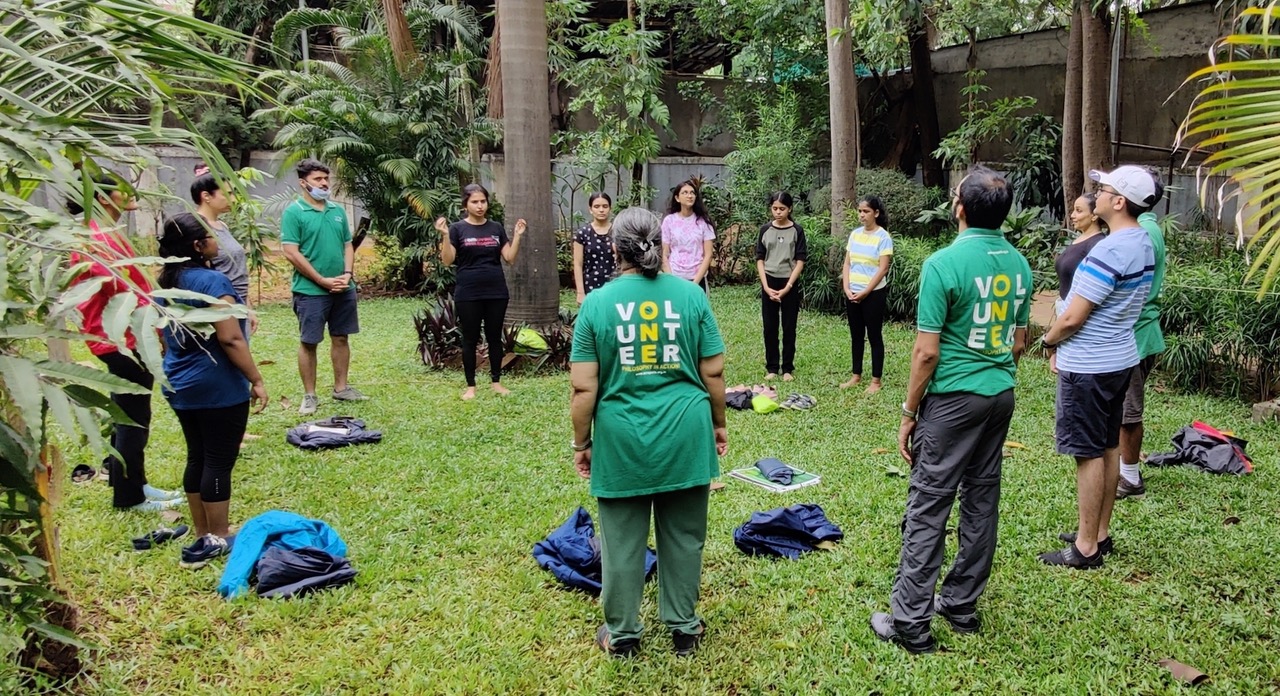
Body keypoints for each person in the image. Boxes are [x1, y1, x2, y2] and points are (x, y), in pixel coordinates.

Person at [870, 166, 1031, 654]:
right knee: (982, 498)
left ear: (959, 208)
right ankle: (961, 605)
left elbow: (926, 353)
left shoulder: (943, 263)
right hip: (999, 393)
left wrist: (908, 412)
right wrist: (991, 371)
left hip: (952, 401)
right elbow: (1019, 341)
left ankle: (910, 623)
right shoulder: (1020, 264)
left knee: (929, 503)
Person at [570, 207, 727, 658]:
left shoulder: (597, 304)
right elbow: (713, 372)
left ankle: (622, 636)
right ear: (662, 245)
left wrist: (583, 444)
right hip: (686, 433)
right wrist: (718, 424)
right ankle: (684, 628)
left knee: (621, 541)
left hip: (622, 440)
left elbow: (583, 388)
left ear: (615, 248)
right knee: (684, 535)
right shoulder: (691, 296)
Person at [1039, 165, 1159, 569]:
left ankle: (1085, 547)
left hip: (1089, 364)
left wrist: (1048, 339)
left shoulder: (1109, 249)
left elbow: (1073, 317)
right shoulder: (1141, 241)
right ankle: (1099, 533)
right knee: (1107, 446)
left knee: (1087, 454)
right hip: (1119, 358)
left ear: (1119, 202)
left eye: (1104, 189)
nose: (1099, 194)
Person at [156, 213, 268, 569]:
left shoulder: (165, 282)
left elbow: (160, 335)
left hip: (179, 382)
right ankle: (219, 535)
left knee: (197, 454)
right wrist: (256, 379)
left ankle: (202, 531)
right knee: (219, 459)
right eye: (210, 235)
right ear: (197, 245)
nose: (217, 237)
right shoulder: (213, 281)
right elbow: (231, 337)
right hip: (217, 384)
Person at [67, 171, 182, 511]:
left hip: (125, 338)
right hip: (122, 341)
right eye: (120, 189)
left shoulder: (105, 234)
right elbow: (125, 291)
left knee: (127, 415)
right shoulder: (96, 238)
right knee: (133, 420)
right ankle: (129, 498)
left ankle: (133, 484)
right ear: (103, 198)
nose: (129, 192)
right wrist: (158, 327)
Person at [280, 159, 367, 415]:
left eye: (326, 179)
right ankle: (309, 395)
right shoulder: (294, 212)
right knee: (309, 342)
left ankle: (341, 388)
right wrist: (320, 279)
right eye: (318, 179)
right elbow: (291, 252)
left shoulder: (337, 211)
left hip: (343, 287)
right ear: (303, 183)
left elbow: (347, 245)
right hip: (310, 292)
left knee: (341, 337)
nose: (324, 184)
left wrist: (347, 274)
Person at [434, 184, 527, 400]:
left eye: (483, 201)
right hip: (468, 292)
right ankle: (471, 386)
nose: (479, 206)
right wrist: (445, 236)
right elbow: (447, 261)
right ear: (465, 204)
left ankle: (496, 382)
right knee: (470, 338)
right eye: (474, 202)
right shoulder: (457, 229)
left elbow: (510, 258)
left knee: (495, 338)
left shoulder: (495, 228)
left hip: (496, 291)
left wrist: (518, 236)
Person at [1118, 203, 1167, 500]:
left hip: (1135, 335)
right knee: (1123, 410)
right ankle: (1124, 470)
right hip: (1140, 332)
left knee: (1129, 412)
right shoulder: (1147, 228)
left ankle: (1131, 478)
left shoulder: (1143, 233)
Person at [840, 196, 894, 394]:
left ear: (876, 213)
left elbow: (883, 269)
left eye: (866, 211)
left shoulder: (883, 237)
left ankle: (876, 380)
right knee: (856, 335)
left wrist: (865, 291)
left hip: (873, 293)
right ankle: (856, 375)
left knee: (874, 335)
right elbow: (847, 263)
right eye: (860, 211)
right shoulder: (854, 235)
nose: (862, 215)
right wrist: (847, 287)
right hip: (852, 292)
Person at [192, 174, 258, 334]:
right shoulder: (197, 228)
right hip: (219, 306)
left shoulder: (222, 225)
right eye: (227, 194)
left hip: (238, 302)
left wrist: (246, 306)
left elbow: (236, 271)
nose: (234, 199)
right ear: (206, 196)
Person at [755, 192, 808, 381]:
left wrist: (788, 286)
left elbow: (800, 260)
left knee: (789, 326)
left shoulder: (797, 230)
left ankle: (787, 368)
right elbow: (760, 259)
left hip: (789, 282)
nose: (778, 212)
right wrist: (766, 286)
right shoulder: (765, 230)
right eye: (775, 208)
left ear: (790, 209)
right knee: (770, 327)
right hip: (769, 281)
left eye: (782, 209)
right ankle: (771, 367)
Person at [1053, 193, 1108, 318]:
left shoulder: (1097, 244)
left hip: (1079, 315)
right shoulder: (1080, 239)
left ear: (1094, 215)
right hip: (1065, 308)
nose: (1072, 215)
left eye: (1078, 211)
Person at [661, 180, 716, 292]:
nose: (689, 196)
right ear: (677, 198)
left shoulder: (704, 222)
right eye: (685, 193)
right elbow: (664, 254)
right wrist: (671, 279)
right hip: (675, 276)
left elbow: (708, 254)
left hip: (697, 277)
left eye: (692, 193)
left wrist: (695, 283)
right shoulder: (669, 221)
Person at [573, 192, 616, 303]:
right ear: (590, 209)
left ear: (610, 208)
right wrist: (580, 292)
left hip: (615, 285)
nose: (601, 210)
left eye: (605, 206)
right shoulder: (582, 233)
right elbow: (578, 264)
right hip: (590, 286)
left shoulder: (618, 231)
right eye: (597, 206)